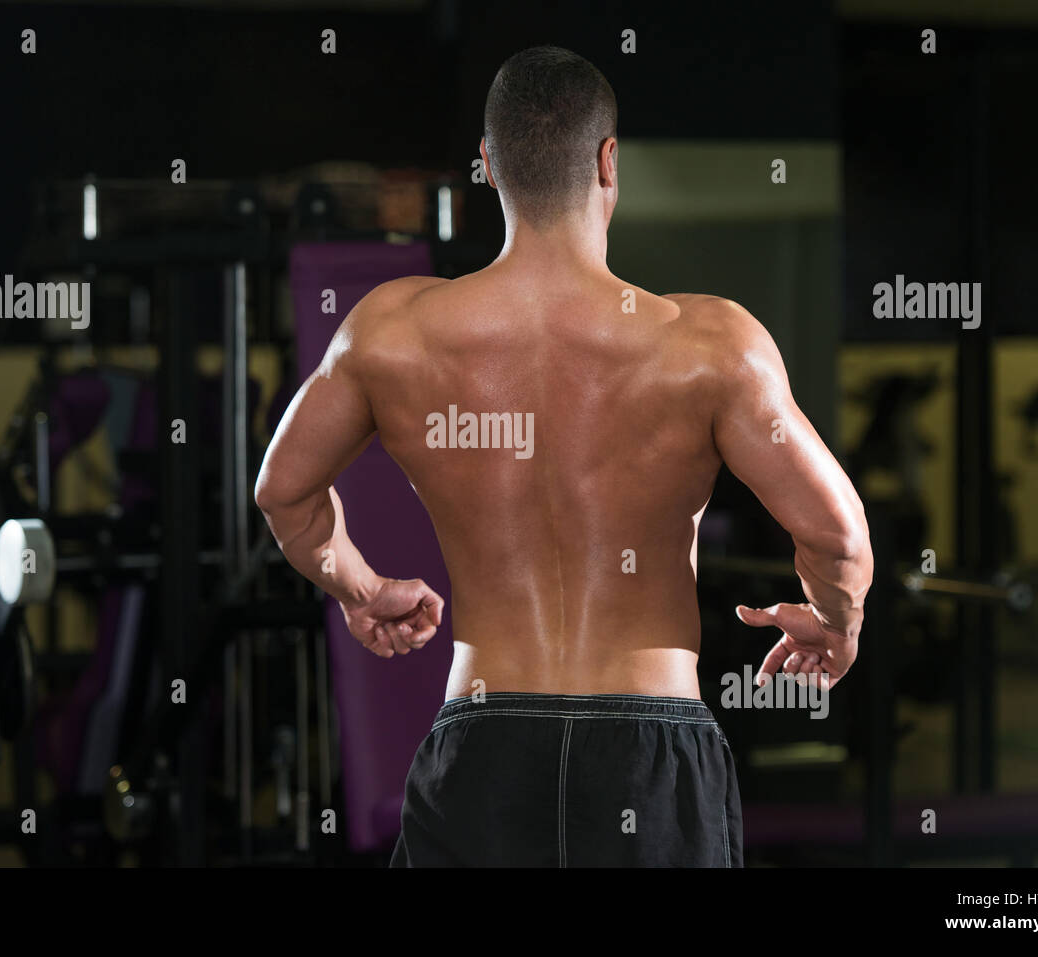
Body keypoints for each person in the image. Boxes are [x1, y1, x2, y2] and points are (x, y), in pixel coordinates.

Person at [255, 45, 873, 867]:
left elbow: (283, 492)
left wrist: (360, 588)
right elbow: (837, 535)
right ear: (609, 160)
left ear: (488, 166)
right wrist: (835, 622)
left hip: (483, 742)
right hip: (651, 752)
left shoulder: (390, 331)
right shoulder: (711, 345)